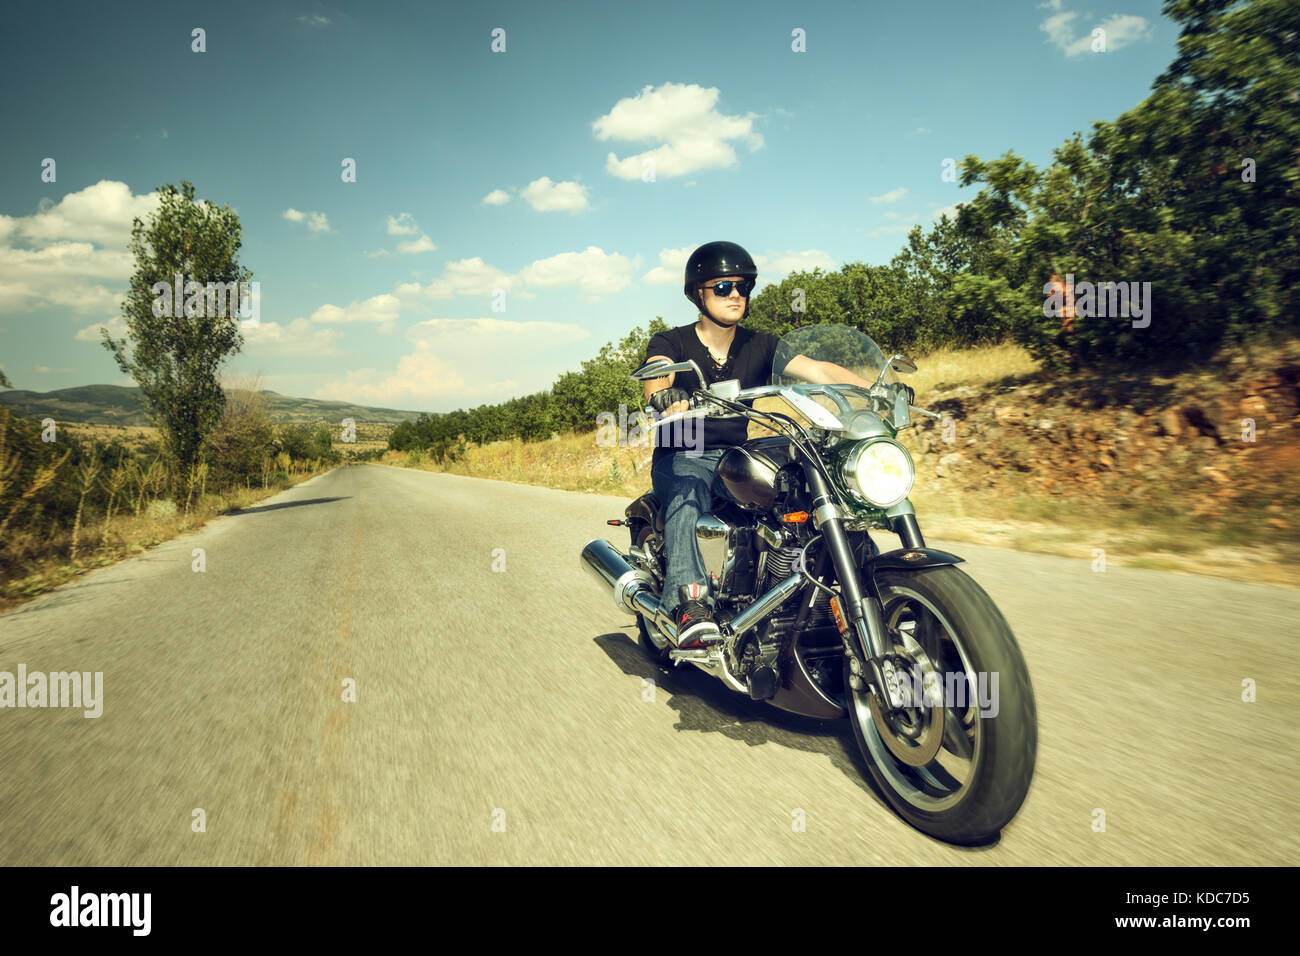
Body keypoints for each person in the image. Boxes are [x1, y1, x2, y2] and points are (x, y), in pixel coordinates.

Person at [642, 240, 781, 648]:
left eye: (742, 286)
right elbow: (657, 372)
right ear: (698, 293)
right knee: (687, 489)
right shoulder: (672, 342)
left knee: (796, 488)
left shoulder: (763, 344)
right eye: (722, 287)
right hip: (684, 454)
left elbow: (814, 368)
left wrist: (875, 385)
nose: (735, 294)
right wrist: (661, 393)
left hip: (736, 458)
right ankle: (690, 604)